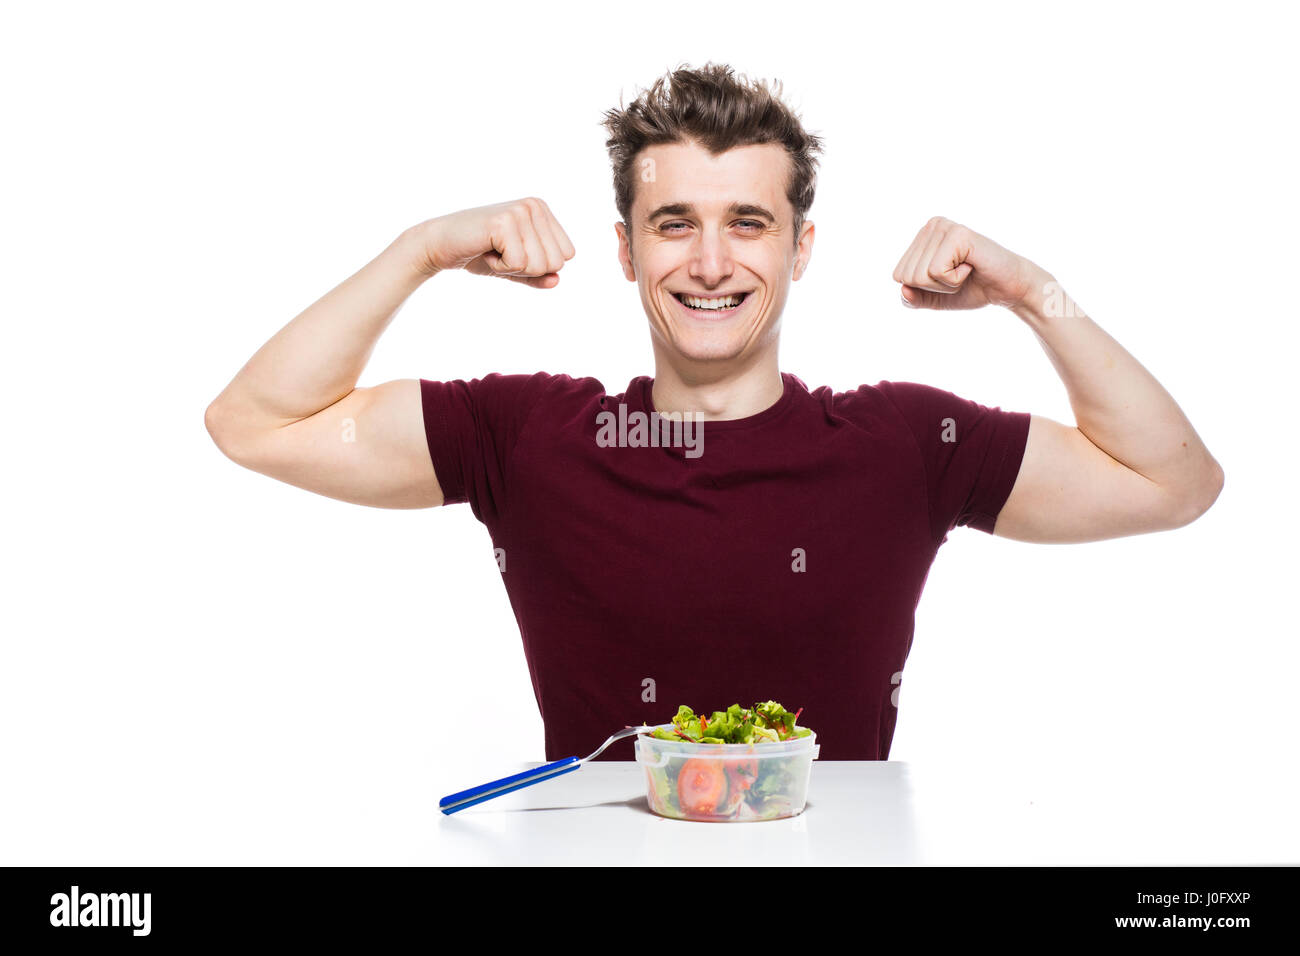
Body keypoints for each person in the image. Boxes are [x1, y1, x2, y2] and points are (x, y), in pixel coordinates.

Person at [204, 63, 1223, 761]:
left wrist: (1029, 289)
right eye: (673, 223)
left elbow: (1173, 483)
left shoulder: (907, 445)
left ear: (799, 248)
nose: (707, 263)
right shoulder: (526, 437)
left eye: (747, 222)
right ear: (626, 251)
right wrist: (420, 248)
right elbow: (256, 421)